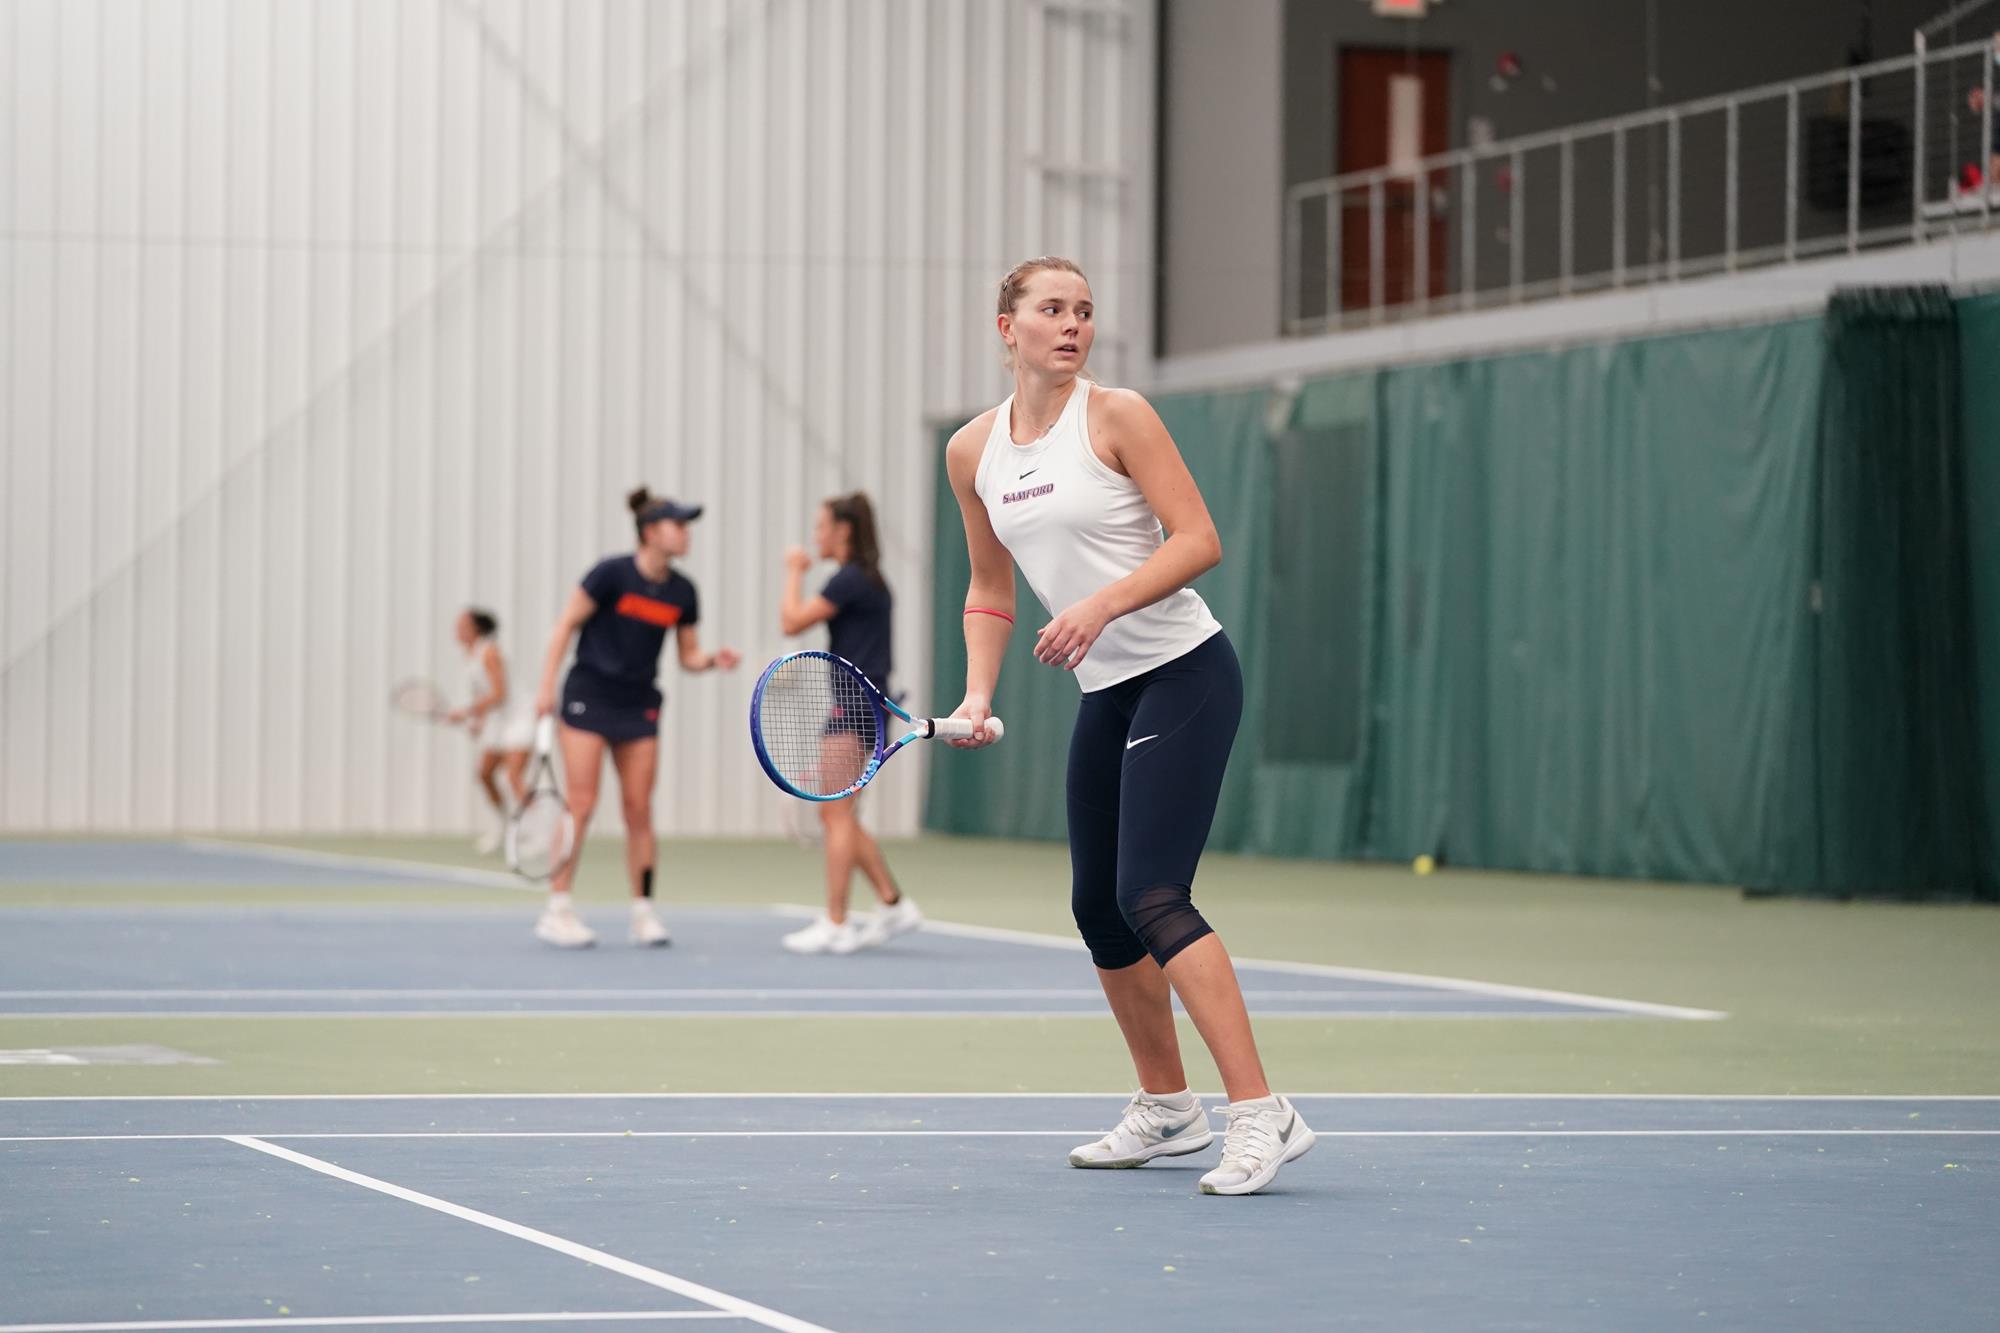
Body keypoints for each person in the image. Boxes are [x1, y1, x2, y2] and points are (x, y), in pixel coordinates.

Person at [942, 256, 1315, 1197]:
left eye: (1084, 311)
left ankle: (1263, 1112)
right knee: (1097, 909)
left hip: (1184, 673)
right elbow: (991, 587)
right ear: (1006, 326)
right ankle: (1167, 1108)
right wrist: (979, 694)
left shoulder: (1119, 416)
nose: (1072, 325)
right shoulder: (971, 451)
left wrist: (1100, 607)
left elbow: (1199, 539)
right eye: (1051, 309)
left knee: (1152, 893)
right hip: (1106, 690)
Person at [529, 488, 742, 948]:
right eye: (678, 524)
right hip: (588, 697)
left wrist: (711, 661)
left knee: (639, 810)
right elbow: (565, 625)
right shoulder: (610, 575)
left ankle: (643, 913)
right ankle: (557, 908)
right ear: (651, 532)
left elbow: (687, 655)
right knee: (581, 805)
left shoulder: (684, 592)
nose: (686, 533)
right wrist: (546, 688)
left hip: (639, 704)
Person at [774, 493, 922, 954]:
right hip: (861, 707)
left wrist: (794, 570)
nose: (816, 534)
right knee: (838, 813)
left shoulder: (851, 579)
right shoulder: (865, 579)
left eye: (821, 526)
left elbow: (792, 621)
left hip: (857, 709)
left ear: (843, 530)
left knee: (835, 813)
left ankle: (837, 922)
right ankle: (893, 904)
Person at [450, 607, 533, 854]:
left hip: (520, 718)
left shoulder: (490, 652)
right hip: (498, 723)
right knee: (485, 773)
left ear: (476, 628)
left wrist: (467, 712)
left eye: (462, 625)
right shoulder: (470, 655)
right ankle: (505, 825)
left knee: (513, 777)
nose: (457, 630)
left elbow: (500, 693)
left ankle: (538, 833)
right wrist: (478, 722)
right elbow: (482, 692)